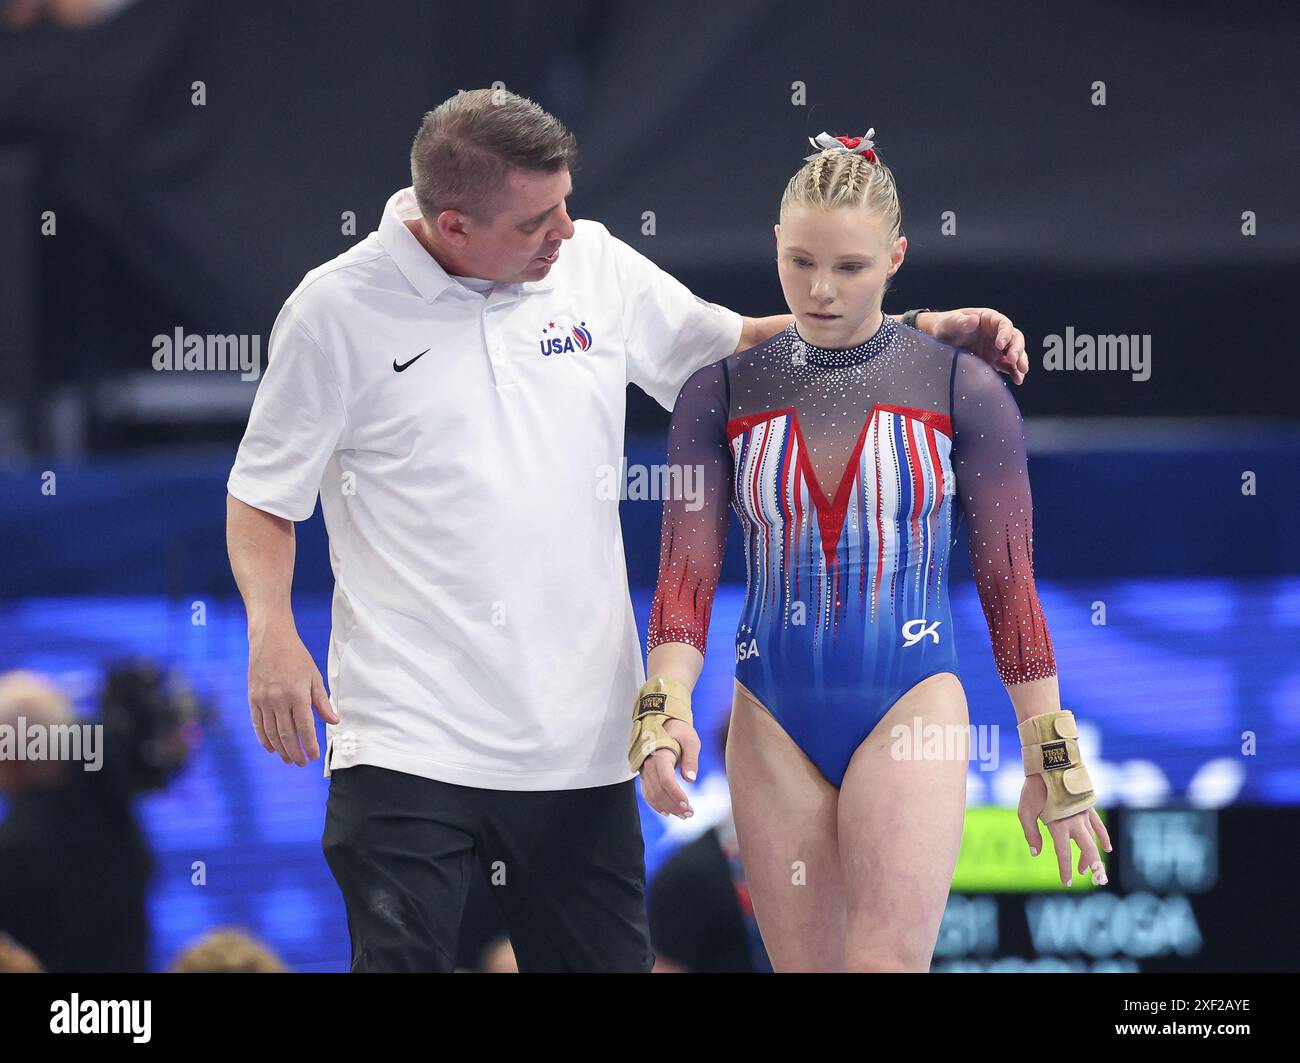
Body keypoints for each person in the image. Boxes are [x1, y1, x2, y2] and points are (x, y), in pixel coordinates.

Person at [226, 90, 1032, 973]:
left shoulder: (595, 265)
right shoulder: (334, 312)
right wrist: (271, 630)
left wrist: (919, 333)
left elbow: (745, 349)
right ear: (453, 225)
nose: (566, 231)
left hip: (581, 746)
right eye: (536, 220)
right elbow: (263, 493)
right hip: (406, 739)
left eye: (566, 202)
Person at [632, 129, 1110, 972]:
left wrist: (1054, 760)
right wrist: (662, 709)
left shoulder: (964, 386)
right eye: (799, 261)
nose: (820, 289)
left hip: (910, 703)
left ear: (896, 257)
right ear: (775, 247)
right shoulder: (718, 393)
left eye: (850, 267)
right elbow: (685, 580)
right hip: (771, 715)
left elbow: (1010, 586)